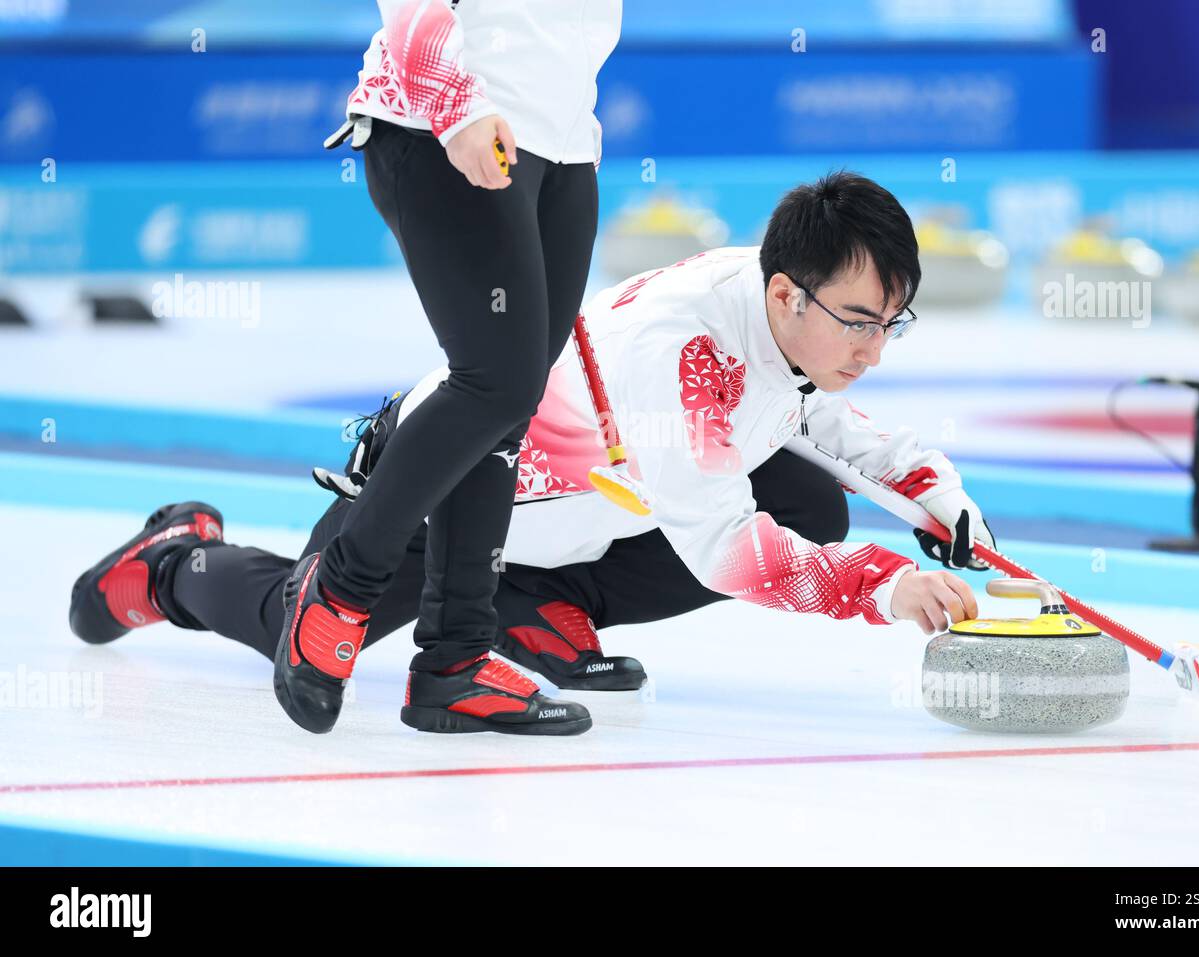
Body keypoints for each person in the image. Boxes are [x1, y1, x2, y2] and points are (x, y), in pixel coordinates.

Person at [68, 172, 995, 738]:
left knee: (807, 498)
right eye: (862, 322)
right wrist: (881, 587)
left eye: (892, 324)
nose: (874, 350)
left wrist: (937, 502)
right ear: (790, 292)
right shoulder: (680, 349)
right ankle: (172, 562)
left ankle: (538, 604)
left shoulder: (776, 311)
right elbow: (725, 548)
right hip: (452, 491)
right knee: (294, 627)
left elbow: (816, 417)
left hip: (568, 515)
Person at [273, 1, 620, 734]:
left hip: (562, 140)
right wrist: (456, 105)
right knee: (495, 379)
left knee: (510, 404)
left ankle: (454, 662)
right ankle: (340, 585)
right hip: (446, 117)